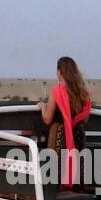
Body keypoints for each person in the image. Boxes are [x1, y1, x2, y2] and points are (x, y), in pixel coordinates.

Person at [40, 56, 92, 190]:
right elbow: (85, 119)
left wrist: (42, 106)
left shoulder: (57, 91)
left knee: (56, 170)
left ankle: (56, 192)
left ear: (59, 72)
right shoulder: (83, 93)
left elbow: (47, 119)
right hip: (78, 135)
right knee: (77, 168)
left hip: (59, 137)